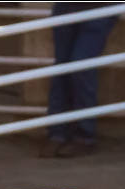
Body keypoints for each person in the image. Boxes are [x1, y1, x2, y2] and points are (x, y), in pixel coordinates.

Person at [44, 2, 120, 157]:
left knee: (80, 64)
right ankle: (58, 132)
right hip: (69, 6)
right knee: (63, 68)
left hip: (99, 7)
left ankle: (83, 135)